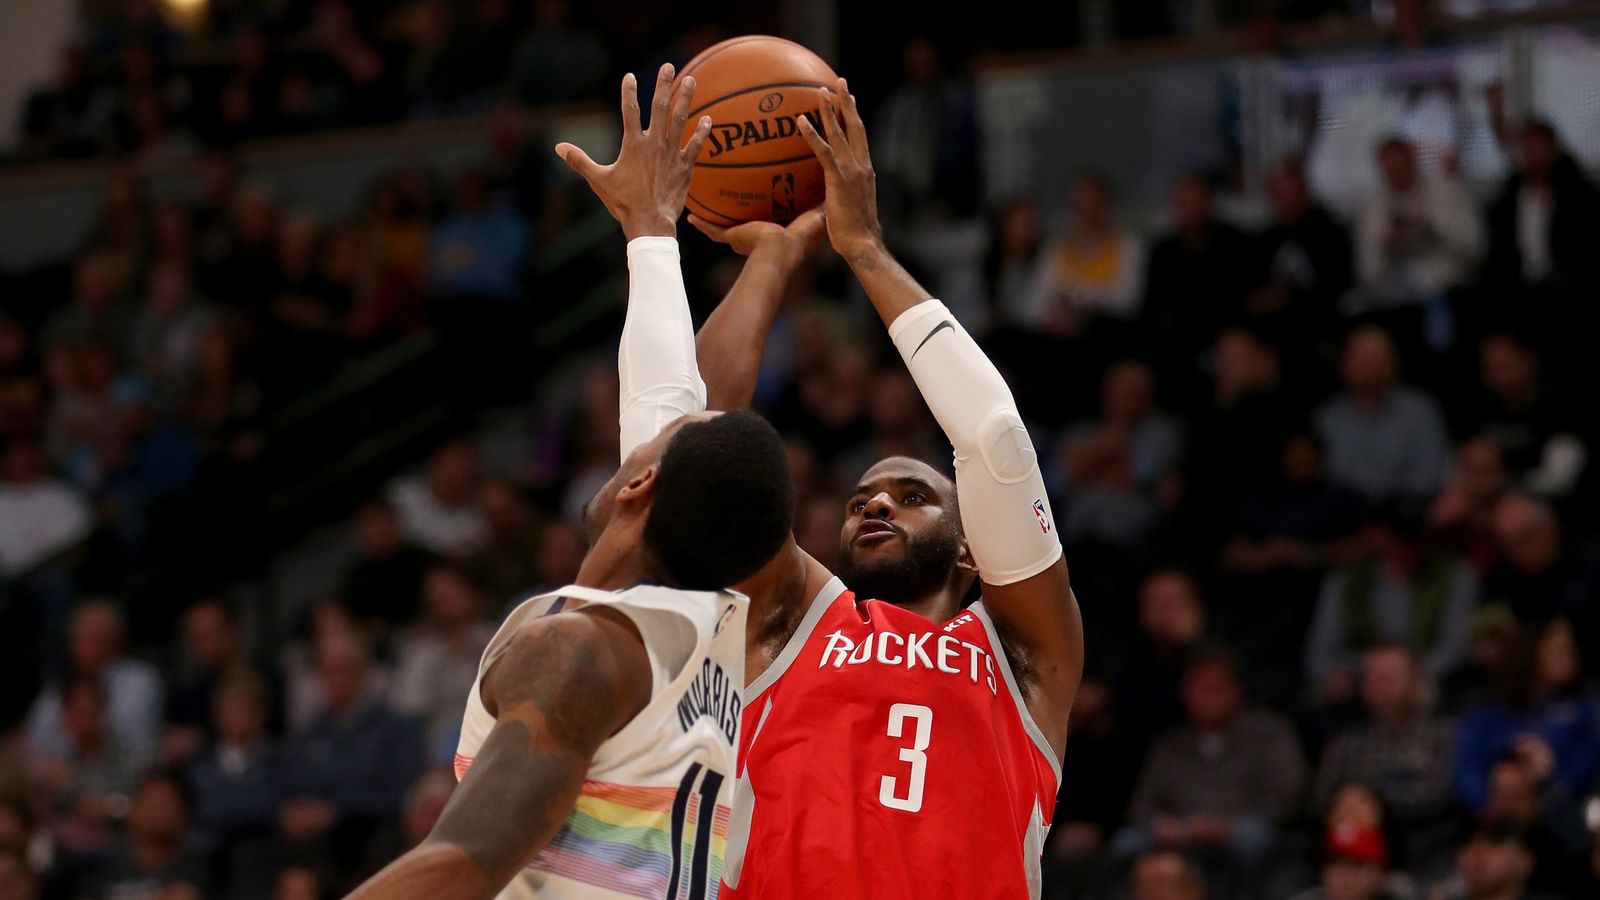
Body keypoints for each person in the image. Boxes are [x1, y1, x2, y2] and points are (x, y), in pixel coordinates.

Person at [349, 63, 794, 900]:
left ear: (638, 488)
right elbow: (687, 414)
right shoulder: (714, 623)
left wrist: (659, 231)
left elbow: (458, 867)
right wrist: (671, 238)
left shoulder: (579, 651)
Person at [681, 77, 1082, 899]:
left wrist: (863, 249)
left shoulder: (1024, 656)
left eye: (912, 494)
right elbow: (696, 455)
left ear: (970, 548)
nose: (877, 503)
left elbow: (995, 440)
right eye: (865, 496)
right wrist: (771, 262)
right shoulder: (790, 619)